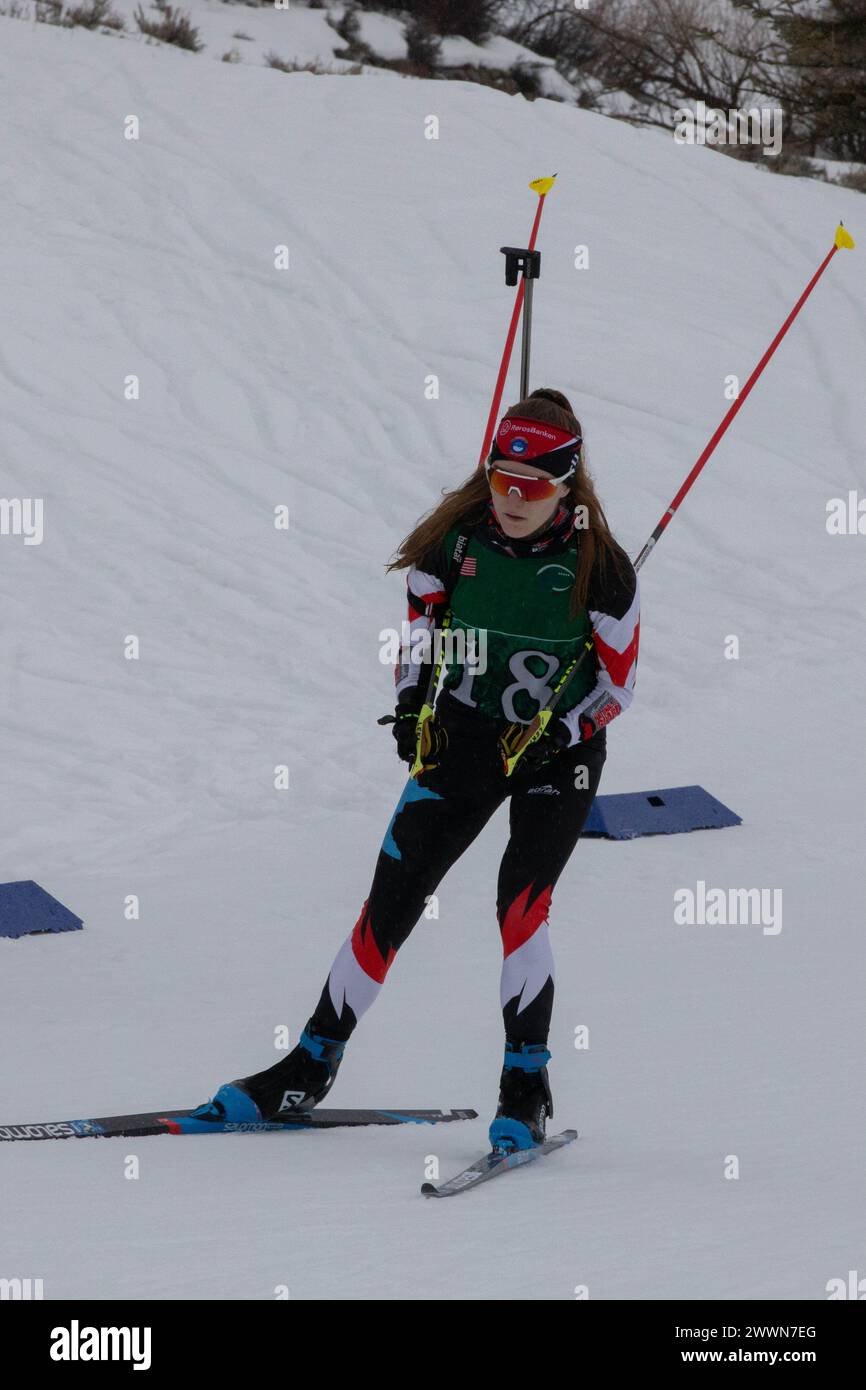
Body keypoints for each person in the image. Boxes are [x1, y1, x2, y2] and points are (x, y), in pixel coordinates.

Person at [195, 388, 640, 1152]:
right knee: (390, 902)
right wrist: (410, 705)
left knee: (518, 908)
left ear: (566, 487)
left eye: (533, 486)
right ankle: (309, 1065)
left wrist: (561, 731)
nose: (513, 497)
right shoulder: (457, 544)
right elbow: (422, 630)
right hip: (463, 739)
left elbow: (618, 687)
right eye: (503, 478)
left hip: (552, 755)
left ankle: (525, 1087)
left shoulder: (600, 569)